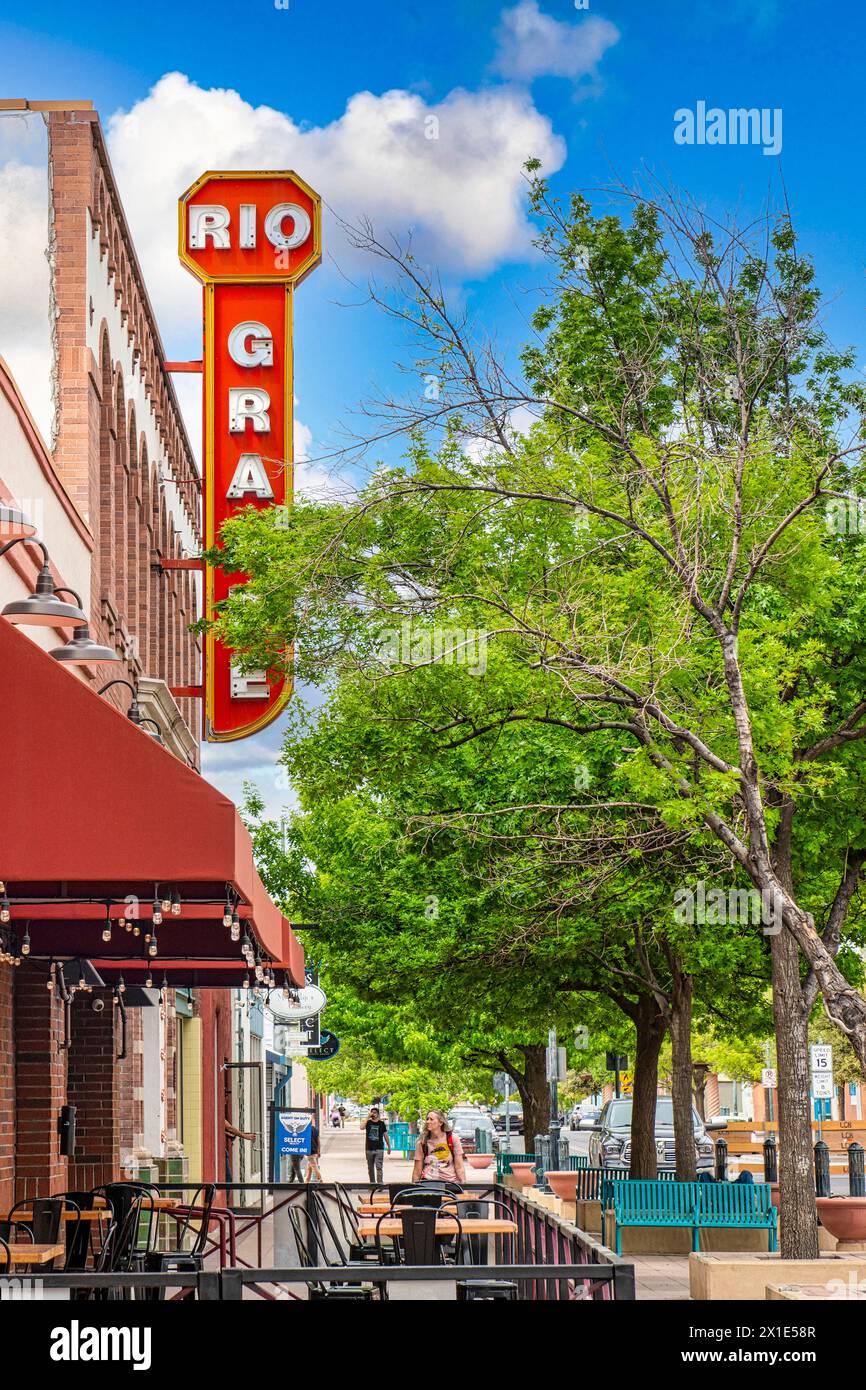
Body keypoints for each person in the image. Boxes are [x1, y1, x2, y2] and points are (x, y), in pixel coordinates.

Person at [412, 1109, 466, 1186]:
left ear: (440, 1122)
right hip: (429, 1184)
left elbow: (459, 1166)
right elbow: (417, 1171)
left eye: (431, 1119)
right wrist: (414, 1190)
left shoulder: (452, 1138)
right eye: (427, 1119)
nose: (428, 1122)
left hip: (450, 1183)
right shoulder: (422, 1142)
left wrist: (464, 1186)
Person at [363, 1106, 391, 1183]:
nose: (373, 1114)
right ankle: (372, 1183)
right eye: (372, 1113)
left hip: (379, 1149)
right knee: (370, 1168)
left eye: (375, 1113)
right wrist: (367, 1117)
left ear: (378, 1114)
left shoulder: (381, 1124)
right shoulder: (368, 1122)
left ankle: (379, 1184)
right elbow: (361, 1127)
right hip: (369, 1149)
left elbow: (385, 1135)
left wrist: (389, 1146)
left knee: (379, 1167)